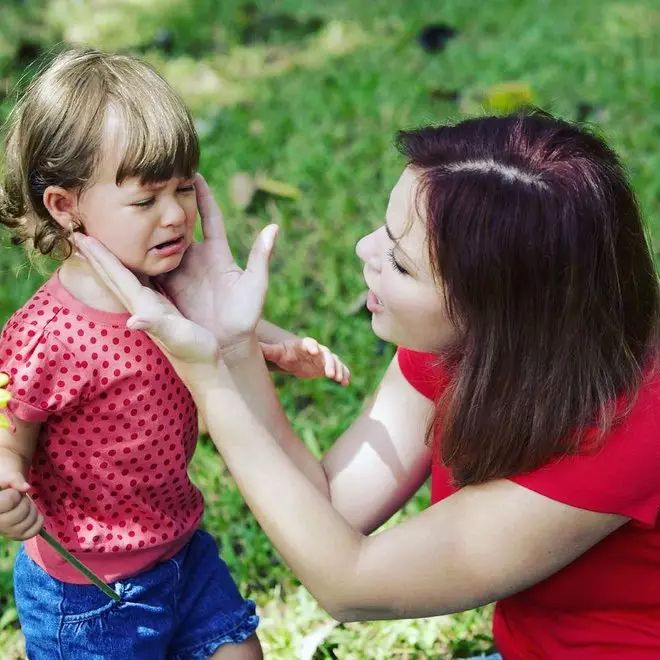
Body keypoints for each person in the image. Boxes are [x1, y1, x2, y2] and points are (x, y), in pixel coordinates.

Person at [76, 110, 660, 660]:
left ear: (500, 310)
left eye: (401, 264)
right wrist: (233, 347)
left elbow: (350, 583)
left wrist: (211, 383)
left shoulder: (630, 426)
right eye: (385, 228)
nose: (364, 250)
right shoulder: (471, 345)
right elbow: (332, 508)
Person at [0, 48, 348, 659]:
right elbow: (9, 422)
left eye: (184, 189)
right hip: (89, 591)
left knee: (242, 653)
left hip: (182, 548)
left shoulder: (171, 281)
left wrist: (279, 345)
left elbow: (217, 326)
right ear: (65, 205)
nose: (175, 216)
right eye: (145, 200)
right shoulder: (46, 333)